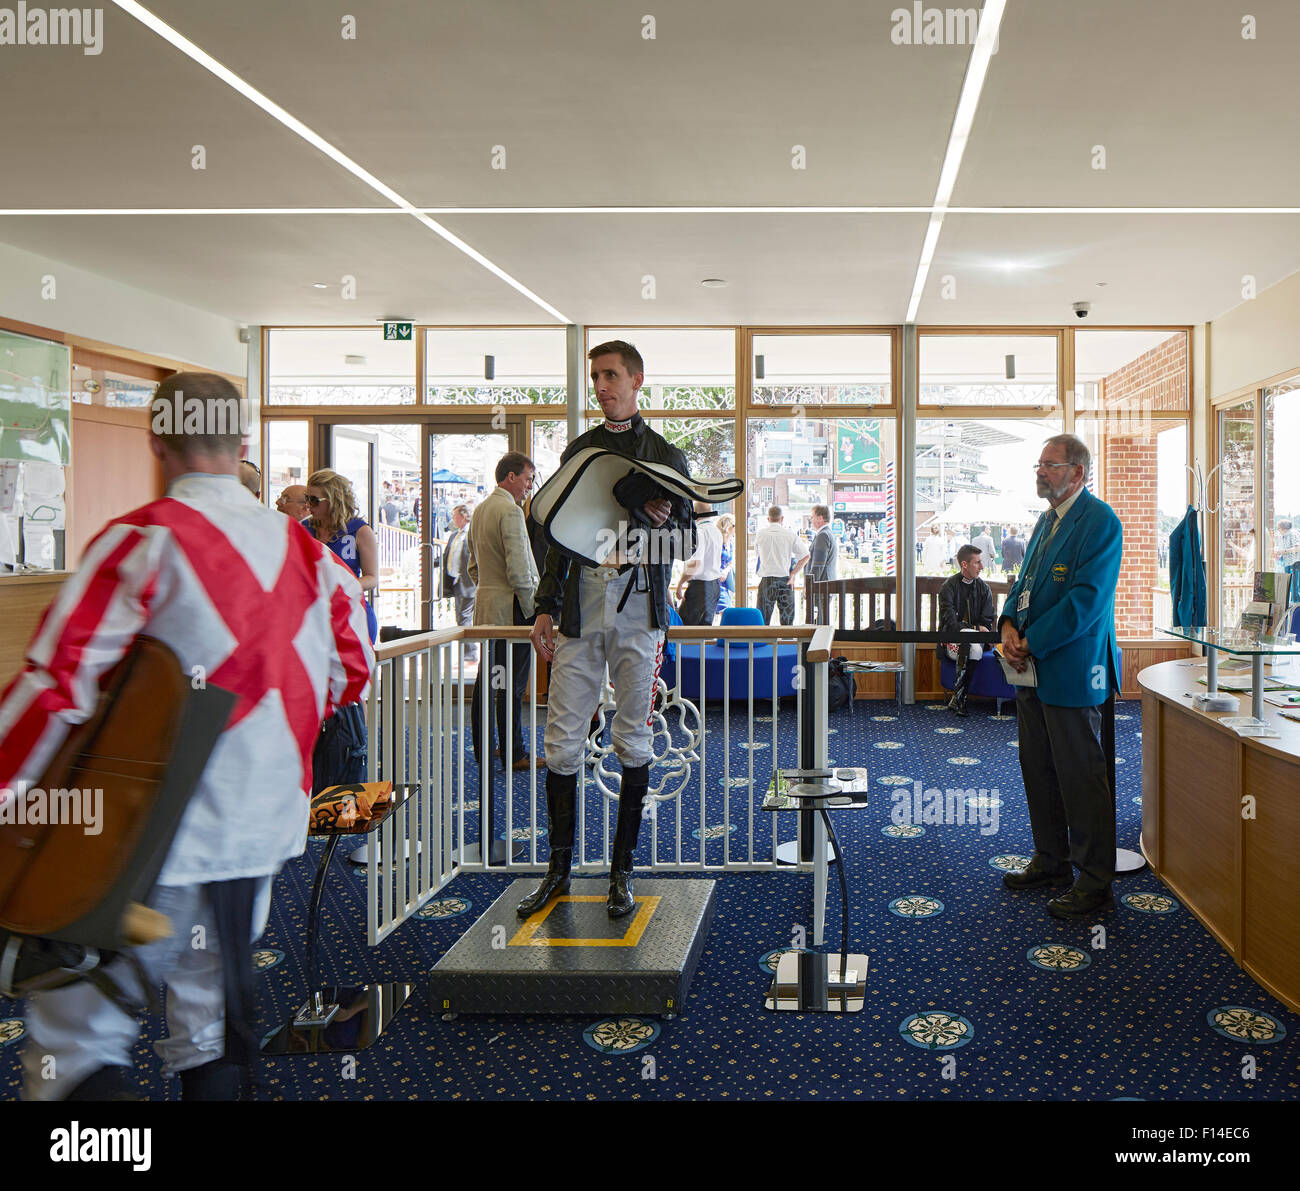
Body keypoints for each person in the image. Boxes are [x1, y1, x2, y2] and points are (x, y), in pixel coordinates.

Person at [0, 372, 373, 1102]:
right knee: (210, 1033)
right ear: (241, 444)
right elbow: (351, 677)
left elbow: (56, 686)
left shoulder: (140, 540)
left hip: (138, 842)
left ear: (156, 442)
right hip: (257, 837)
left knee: (73, 1044)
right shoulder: (317, 562)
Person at [527, 340, 694, 919]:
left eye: (611, 375)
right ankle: (557, 871)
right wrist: (545, 605)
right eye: (595, 376)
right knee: (561, 741)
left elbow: (685, 542)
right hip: (579, 604)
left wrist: (660, 520)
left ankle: (622, 874)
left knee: (633, 738)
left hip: (639, 609)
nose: (602, 386)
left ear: (638, 379)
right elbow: (555, 532)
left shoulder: (667, 456)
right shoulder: (579, 450)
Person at [999, 434, 1123, 920]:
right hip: (1030, 671)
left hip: (1073, 668)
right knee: (1040, 769)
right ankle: (1051, 863)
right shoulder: (1044, 522)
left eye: (1050, 465)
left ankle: (1094, 882)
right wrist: (1008, 624)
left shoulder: (1100, 522)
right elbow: (1023, 583)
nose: (1040, 471)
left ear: (1078, 472)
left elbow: (1087, 602)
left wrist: (1032, 640)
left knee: (1080, 776)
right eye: (1039, 464)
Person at [468, 453, 539, 773]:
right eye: (528, 479)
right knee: (511, 685)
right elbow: (520, 569)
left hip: (487, 605)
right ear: (510, 477)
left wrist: (488, 589)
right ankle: (514, 752)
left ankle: (484, 748)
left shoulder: (480, 509)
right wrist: (533, 610)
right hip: (512, 608)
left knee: (488, 682)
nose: (529, 486)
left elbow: (472, 566)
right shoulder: (510, 511)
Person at [303, 469, 380, 645]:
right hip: (316, 616)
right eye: (307, 498)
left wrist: (342, 587)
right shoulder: (305, 528)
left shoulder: (360, 530)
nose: (308, 505)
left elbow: (372, 578)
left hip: (351, 614)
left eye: (314, 500)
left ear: (334, 500)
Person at [938, 544, 995, 716]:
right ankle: (959, 699)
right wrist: (976, 628)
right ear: (964, 564)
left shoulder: (984, 589)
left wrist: (978, 630)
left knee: (973, 644)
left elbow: (987, 622)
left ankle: (958, 698)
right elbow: (952, 625)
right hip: (951, 641)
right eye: (977, 563)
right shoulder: (948, 587)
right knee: (968, 641)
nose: (982, 567)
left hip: (976, 643)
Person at [755, 506, 809, 625]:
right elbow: (806, 556)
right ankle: (787, 642)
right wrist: (793, 573)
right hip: (785, 580)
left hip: (767, 580)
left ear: (768, 518)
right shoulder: (790, 535)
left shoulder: (760, 534)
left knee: (762, 623)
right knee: (787, 622)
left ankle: (763, 643)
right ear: (782, 518)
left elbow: (758, 555)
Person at [675, 500, 724, 625]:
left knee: (685, 628)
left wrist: (680, 584)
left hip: (700, 588)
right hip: (714, 586)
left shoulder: (699, 532)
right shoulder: (716, 531)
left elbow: (695, 564)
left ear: (694, 513)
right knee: (705, 629)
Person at [442, 503, 477, 661]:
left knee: (464, 618)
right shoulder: (455, 535)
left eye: (455, 515)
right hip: (456, 582)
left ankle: (469, 653)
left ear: (463, 516)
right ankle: (467, 652)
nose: (453, 519)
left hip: (468, 584)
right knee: (460, 618)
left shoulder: (471, 533)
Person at [1273, 518, 1300, 603]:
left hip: (1294, 563)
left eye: (1279, 528)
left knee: (1294, 587)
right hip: (1286, 563)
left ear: (1284, 528)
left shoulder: (1293, 534)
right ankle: (1291, 604)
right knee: (1288, 585)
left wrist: (1284, 551)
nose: (1278, 530)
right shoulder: (1281, 535)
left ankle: (1296, 606)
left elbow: (1298, 548)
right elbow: (1279, 546)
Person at [716, 513, 737, 615]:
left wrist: (726, 570)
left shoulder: (731, 543)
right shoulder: (717, 541)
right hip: (716, 579)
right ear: (729, 527)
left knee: (726, 609)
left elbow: (730, 562)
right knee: (722, 609)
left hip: (725, 581)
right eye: (734, 526)